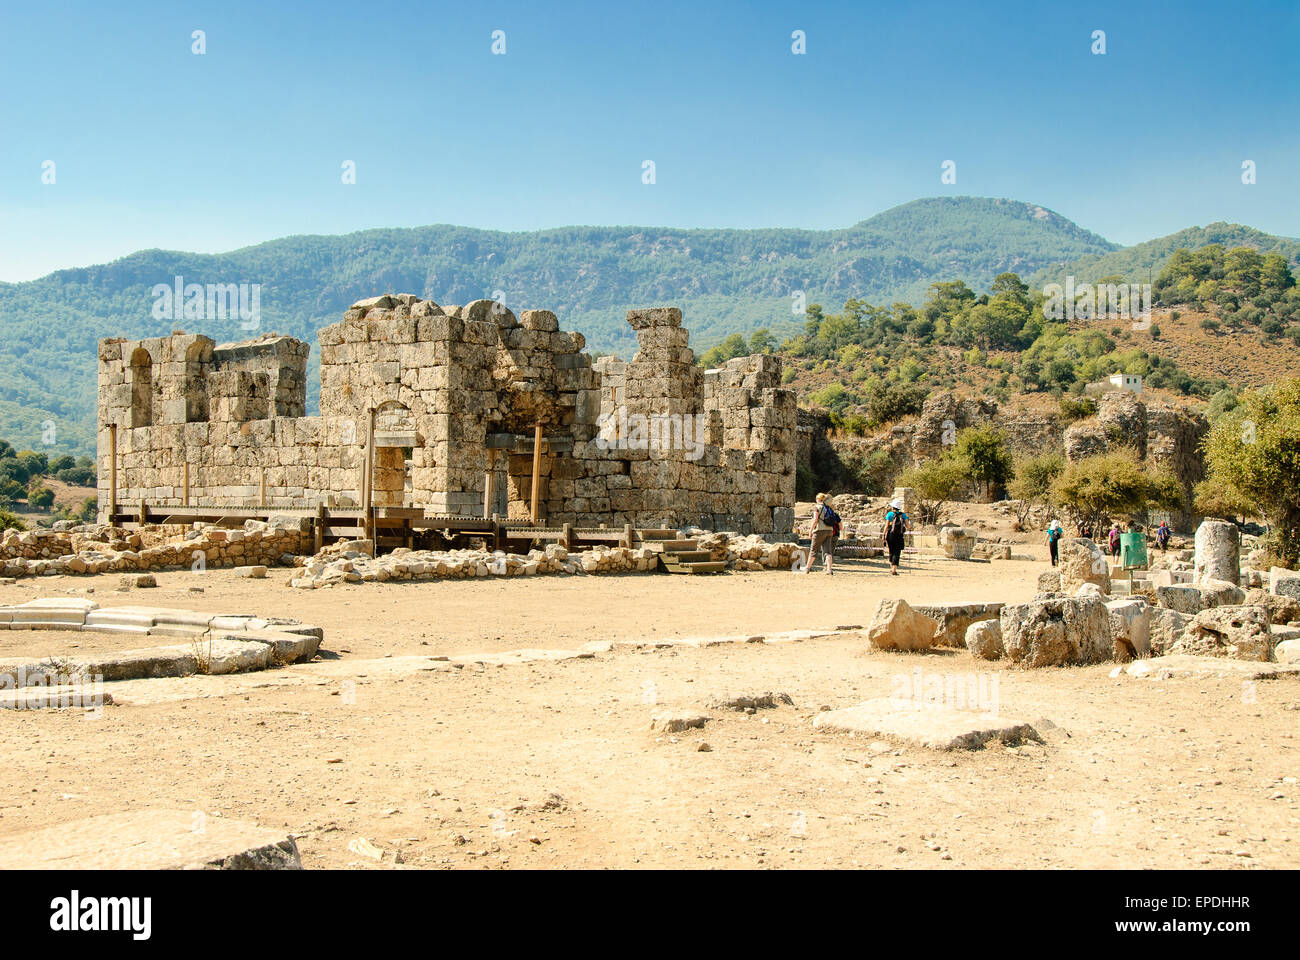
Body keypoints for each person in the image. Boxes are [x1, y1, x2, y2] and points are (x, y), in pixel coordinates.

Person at [809, 492, 837, 575]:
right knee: (828, 551)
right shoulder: (829, 508)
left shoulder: (817, 507)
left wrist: (810, 531)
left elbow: (815, 520)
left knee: (813, 550)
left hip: (819, 530)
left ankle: (807, 568)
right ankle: (829, 569)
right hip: (829, 530)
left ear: (818, 499)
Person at [883, 498, 908, 576]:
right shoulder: (903, 515)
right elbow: (908, 526)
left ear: (893, 507)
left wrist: (883, 534)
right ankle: (894, 570)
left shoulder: (889, 514)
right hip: (899, 536)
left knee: (891, 551)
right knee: (897, 552)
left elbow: (886, 526)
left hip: (890, 535)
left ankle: (891, 568)